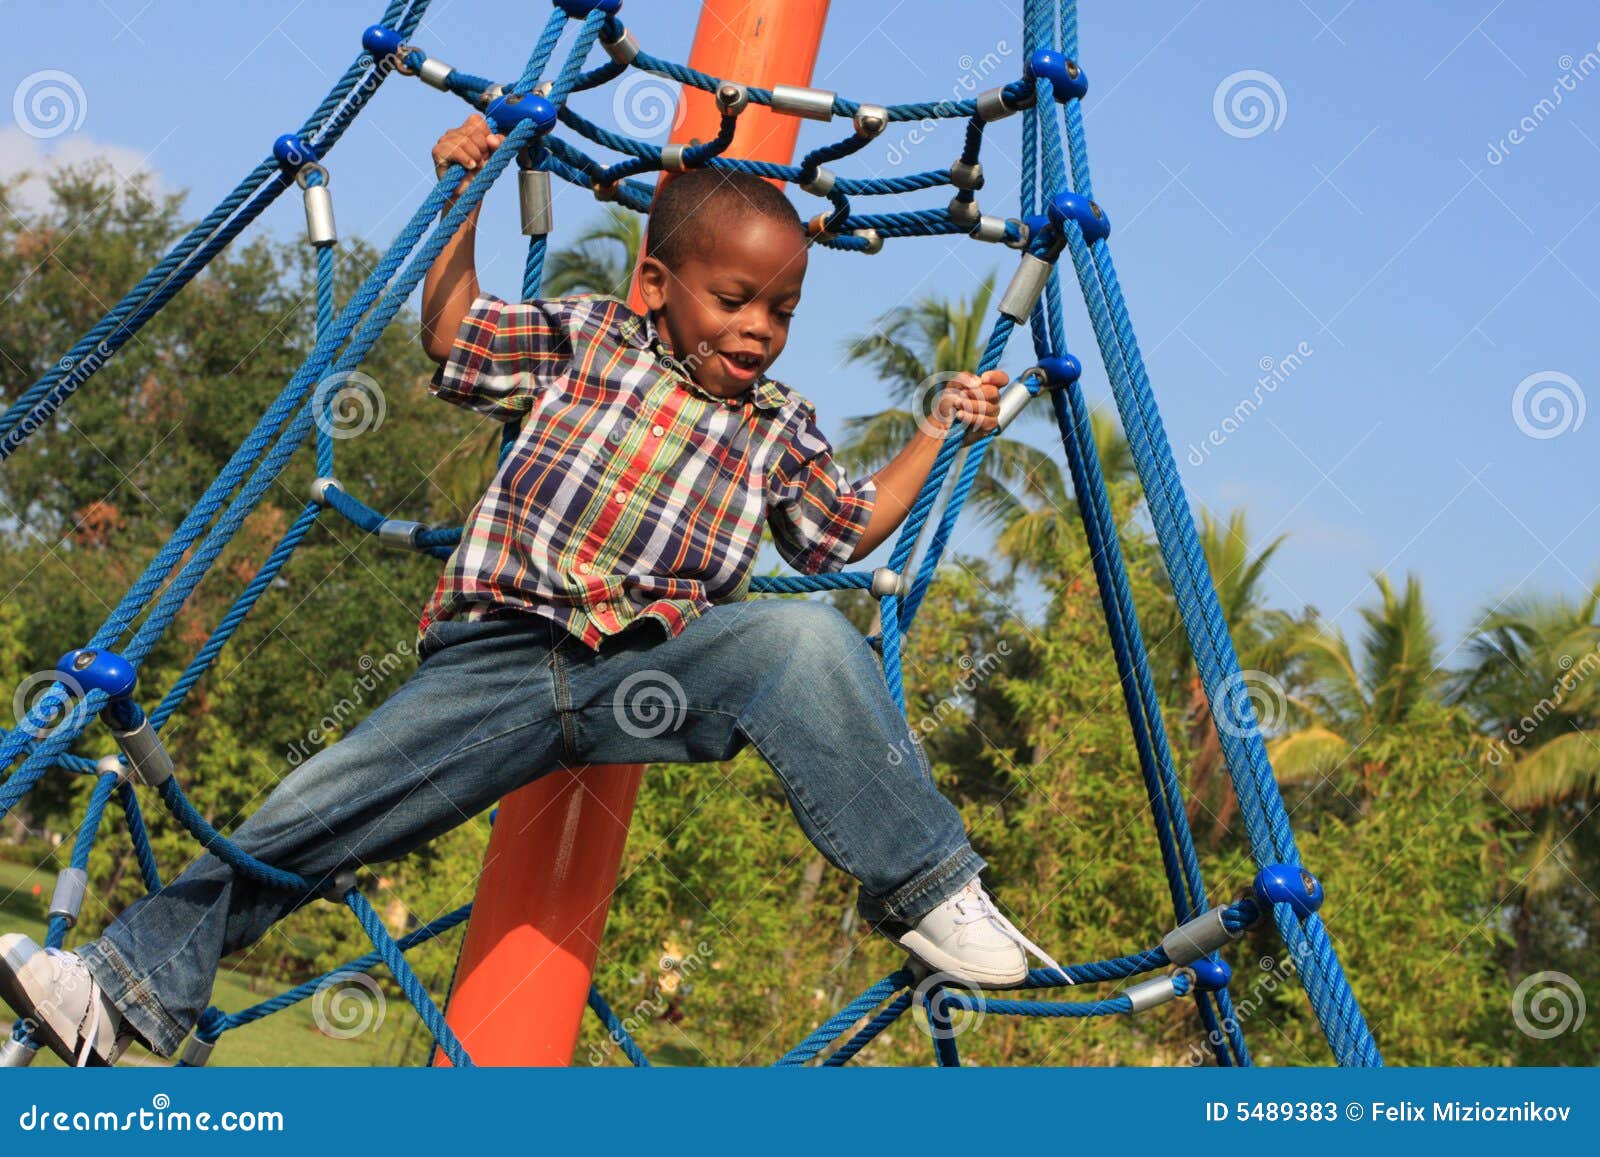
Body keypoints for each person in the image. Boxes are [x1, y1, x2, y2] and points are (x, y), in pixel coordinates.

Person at [0, 114, 1063, 1067]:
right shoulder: (586, 337)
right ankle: (116, 990)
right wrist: (464, 200)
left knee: (808, 638)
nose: (757, 329)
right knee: (314, 810)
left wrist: (935, 428)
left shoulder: (778, 423)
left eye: (781, 310)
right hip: (496, 659)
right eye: (733, 299)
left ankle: (930, 887)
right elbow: (455, 332)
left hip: (649, 667)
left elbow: (841, 532)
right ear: (656, 284)